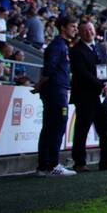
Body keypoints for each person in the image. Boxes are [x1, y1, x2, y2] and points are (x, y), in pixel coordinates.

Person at [69, 21, 107, 172]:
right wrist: (101, 85)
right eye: (85, 30)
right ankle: (79, 163)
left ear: (94, 30)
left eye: (90, 29)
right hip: (85, 96)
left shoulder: (100, 48)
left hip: (102, 96)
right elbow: (82, 74)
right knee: (82, 130)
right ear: (80, 33)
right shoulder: (76, 51)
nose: (88, 32)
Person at [34, 15, 77, 177]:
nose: (75, 29)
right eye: (73, 26)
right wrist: (39, 85)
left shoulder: (63, 46)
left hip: (56, 89)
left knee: (50, 128)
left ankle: (44, 166)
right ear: (63, 28)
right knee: (57, 127)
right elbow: (49, 70)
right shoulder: (57, 46)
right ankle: (52, 165)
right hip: (56, 91)